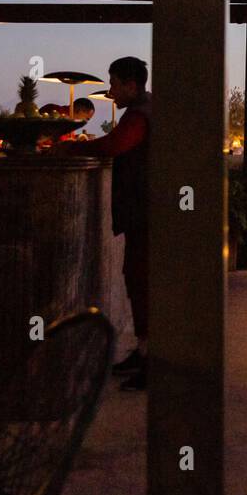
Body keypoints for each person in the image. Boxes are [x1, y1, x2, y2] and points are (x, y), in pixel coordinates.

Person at [56, 57, 150, 390]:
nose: (110, 91)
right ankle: (144, 351)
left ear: (130, 85)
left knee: (142, 280)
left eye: (114, 84)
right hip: (145, 209)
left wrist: (66, 150)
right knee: (138, 278)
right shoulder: (141, 110)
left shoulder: (139, 115)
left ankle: (151, 360)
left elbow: (114, 145)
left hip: (146, 210)